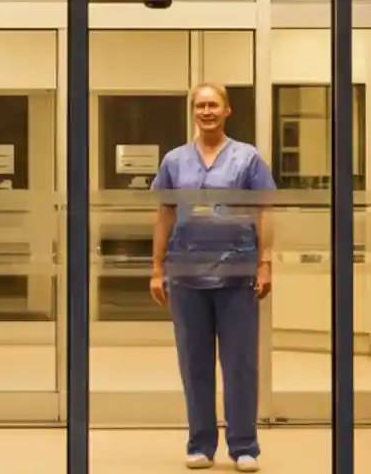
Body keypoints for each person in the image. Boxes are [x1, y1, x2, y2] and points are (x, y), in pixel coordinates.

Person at [150, 82, 276, 472]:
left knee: (240, 362)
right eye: (200, 105)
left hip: (237, 274)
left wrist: (265, 260)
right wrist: (157, 268)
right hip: (186, 275)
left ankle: (244, 446)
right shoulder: (175, 160)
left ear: (227, 110)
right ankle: (201, 443)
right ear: (193, 112)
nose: (206, 111)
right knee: (195, 362)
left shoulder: (247, 158)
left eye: (213, 105)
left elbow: (264, 211)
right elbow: (164, 216)